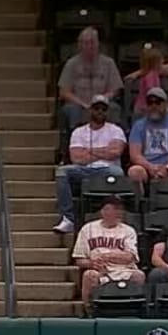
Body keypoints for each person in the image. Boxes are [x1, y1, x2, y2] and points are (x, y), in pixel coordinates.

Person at [54, 94, 126, 235]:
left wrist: (88, 151)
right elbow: (76, 158)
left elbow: (116, 152)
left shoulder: (116, 130)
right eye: (96, 108)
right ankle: (68, 218)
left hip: (108, 170)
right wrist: (104, 150)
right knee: (62, 172)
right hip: (84, 170)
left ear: (107, 112)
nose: (100, 111)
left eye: (103, 109)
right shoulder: (78, 132)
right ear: (90, 110)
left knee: (117, 173)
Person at [72, 196, 143, 304]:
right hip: (98, 270)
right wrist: (92, 263)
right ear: (103, 211)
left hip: (123, 270)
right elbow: (79, 260)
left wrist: (108, 256)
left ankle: (133, 309)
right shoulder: (88, 229)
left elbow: (131, 257)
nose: (118, 213)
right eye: (114, 209)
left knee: (138, 276)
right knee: (89, 275)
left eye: (119, 209)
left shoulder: (128, 231)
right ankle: (89, 312)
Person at [125, 87, 168, 195]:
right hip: (146, 167)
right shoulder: (138, 126)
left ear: (165, 104)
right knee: (135, 171)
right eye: (150, 103)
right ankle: (140, 204)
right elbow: (135, 154)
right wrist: (150, 167)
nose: (154, 106)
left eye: (158, 102)